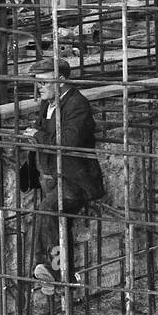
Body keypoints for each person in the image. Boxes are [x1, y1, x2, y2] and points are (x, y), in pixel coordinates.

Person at [24, 61, 105, 293]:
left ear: (60, 81)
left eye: (44, 81)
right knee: (57, 225)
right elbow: (42, 131)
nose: (39, 86)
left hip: (74, 179)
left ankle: (53, 272)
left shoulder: (77, 104)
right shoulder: (48, 103)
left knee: (48, 211)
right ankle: (60, 275)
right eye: (37, 81)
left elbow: (67, 143)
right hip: (51, 175)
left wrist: (38, 135)